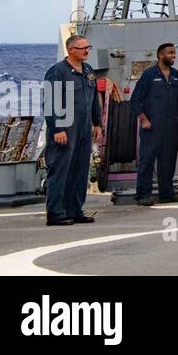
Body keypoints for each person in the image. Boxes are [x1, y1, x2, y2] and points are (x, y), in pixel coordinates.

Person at [43, 33, 104, 226]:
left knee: (80, 170)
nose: (87, 50)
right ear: (71, 50)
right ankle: (56, 213)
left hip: (84, 129)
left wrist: (97, 123)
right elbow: (50, 102)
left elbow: (94, 99)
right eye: (83, 47)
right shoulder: (58, 72)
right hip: (64, 129)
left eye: (88, 47)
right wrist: (57, 128)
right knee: (61, 170)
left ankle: (75, 209)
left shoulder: (88, 71)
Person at [131, 42, 178, 206]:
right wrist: (144, 119)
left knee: (168, 160)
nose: (173, 56)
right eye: (170, 53)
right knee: (147, 160)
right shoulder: (149, 75)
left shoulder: (176, 75)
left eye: (174, 53)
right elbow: (135, 100)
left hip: (171, 125)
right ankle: (143, 194)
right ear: (161, 55)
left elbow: (176, 100)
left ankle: (166, 193)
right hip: (152, 126)